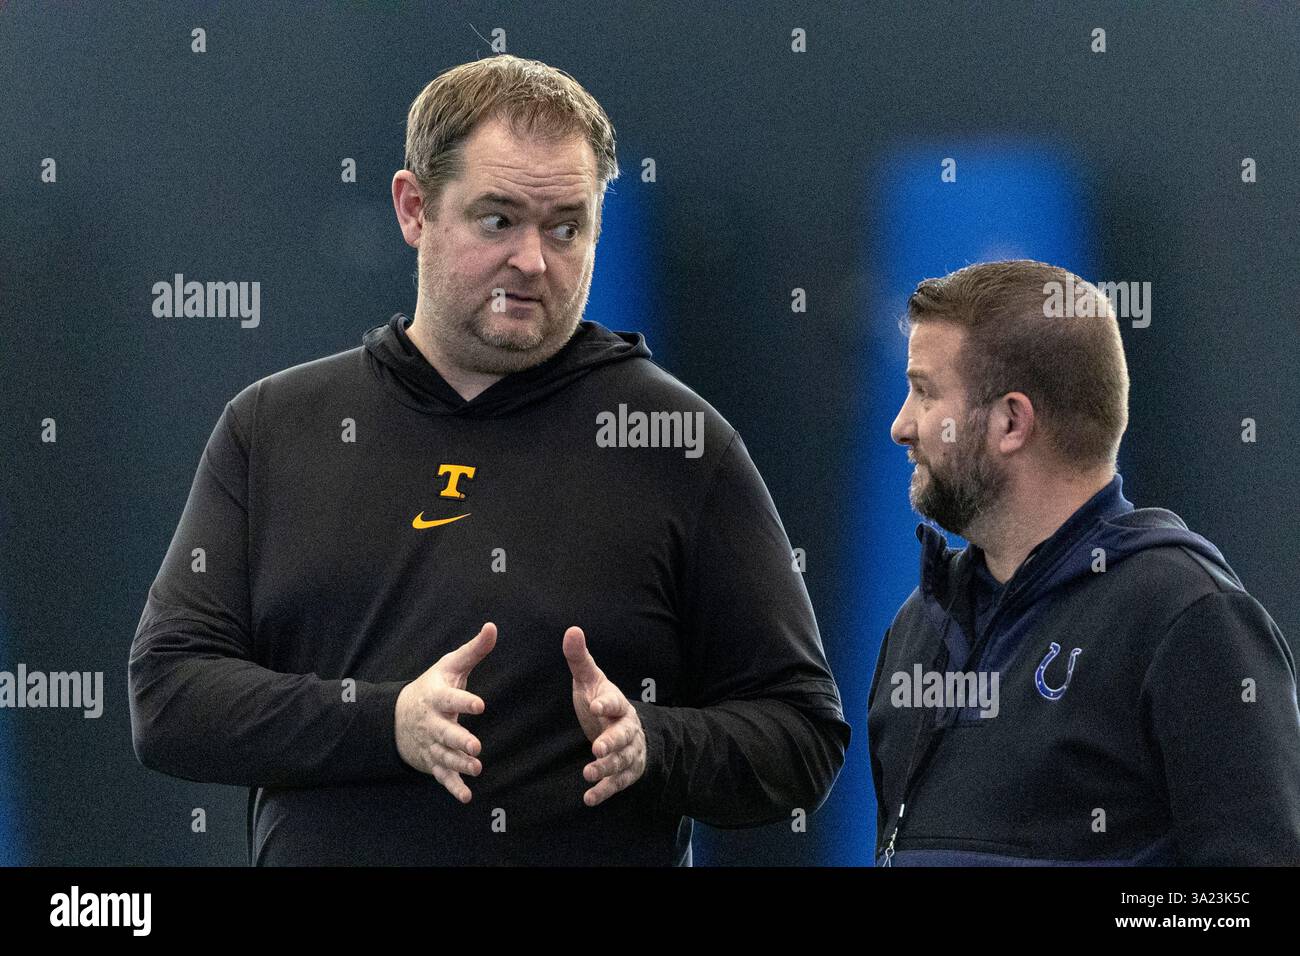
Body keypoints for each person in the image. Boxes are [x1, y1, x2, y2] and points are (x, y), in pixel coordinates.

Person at [128, 54, 849, 866]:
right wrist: (385, 722)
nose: (534, 262)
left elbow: (803, 735)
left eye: (566, 227)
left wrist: (654, 743)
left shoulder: (680, 444)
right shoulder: (273, 427)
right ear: (414, 208)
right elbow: (169, 698)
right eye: (498, 220)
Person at [868, 259, 1300, 865]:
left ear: (1010, 421)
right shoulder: (917, 628)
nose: (900, 426)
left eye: (924, 391)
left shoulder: (1188, 619)